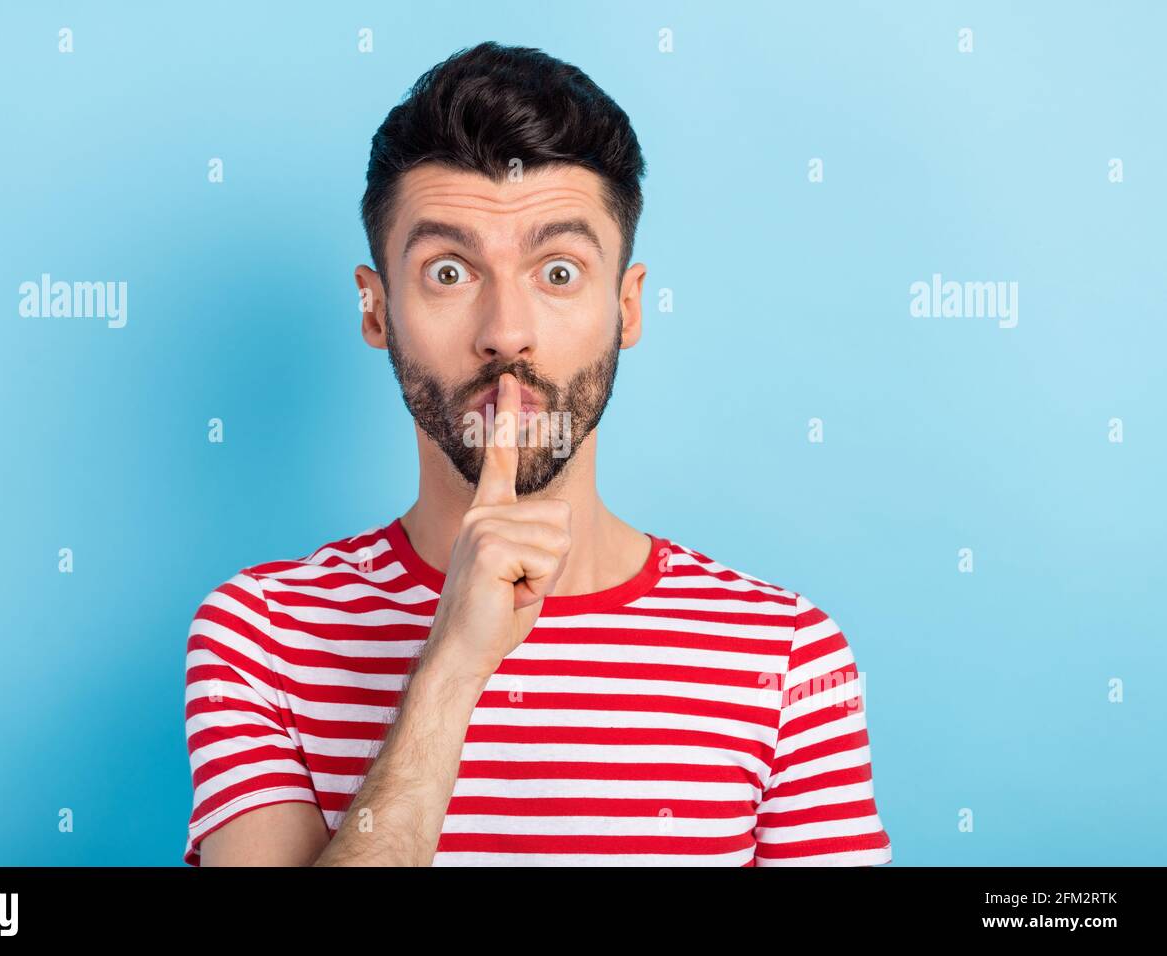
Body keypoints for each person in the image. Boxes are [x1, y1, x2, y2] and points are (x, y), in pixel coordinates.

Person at [183, 40, 893, 867]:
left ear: (626, 309)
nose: (505, 333)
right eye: (448, 273)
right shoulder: (260, 637)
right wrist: (452, 665)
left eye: (559, 271)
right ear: (377, 313)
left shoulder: (786, 655)